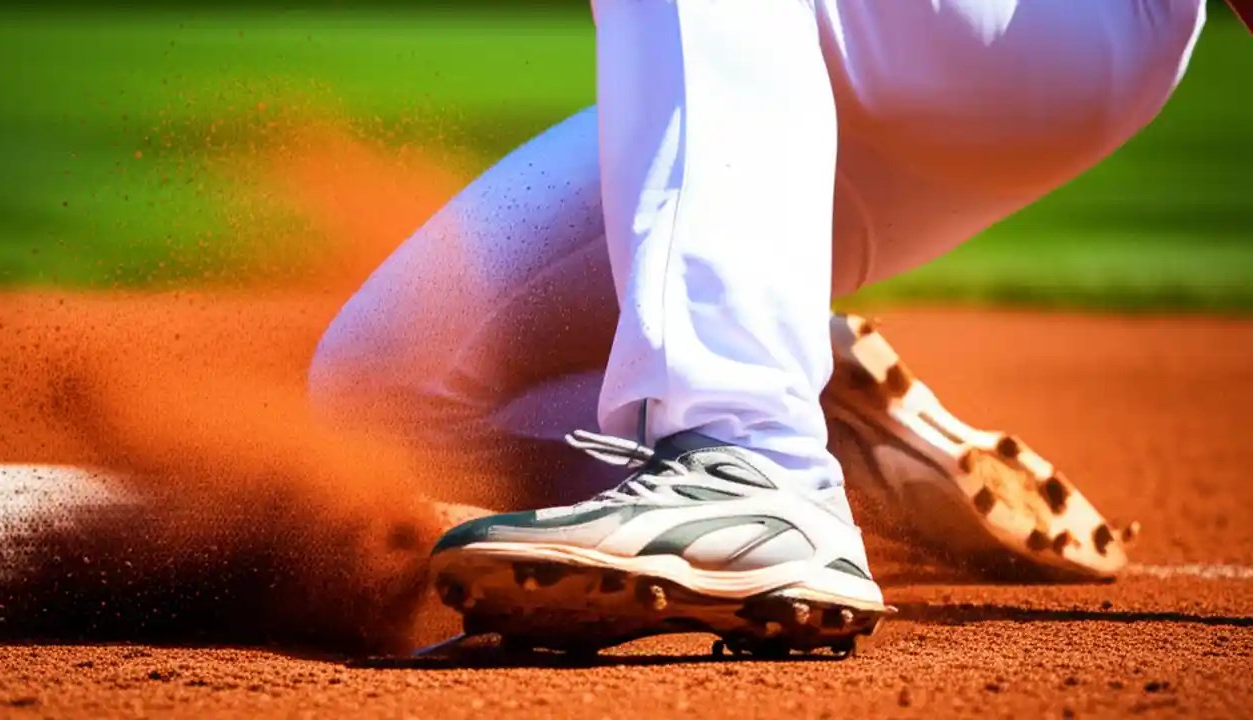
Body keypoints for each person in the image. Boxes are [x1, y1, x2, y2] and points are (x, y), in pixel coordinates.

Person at [310, 0, 1208, 654]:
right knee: (376, 399)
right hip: (804, 41)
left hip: (1040, 30)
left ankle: (752, 448)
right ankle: (817, 420)